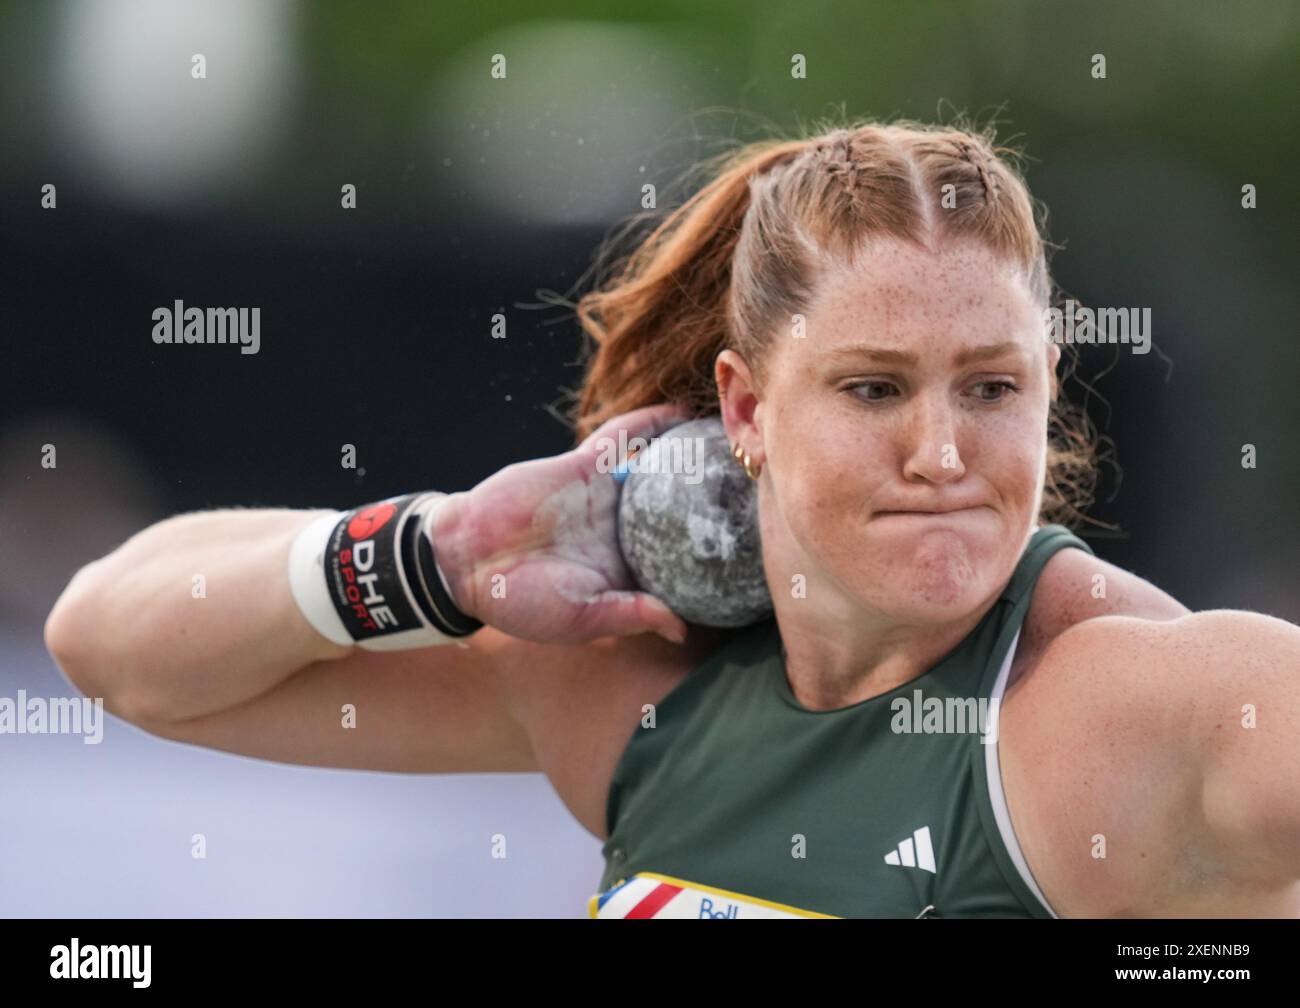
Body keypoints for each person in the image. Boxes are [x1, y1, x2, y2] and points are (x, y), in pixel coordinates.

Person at [45, 120, 1300, 919]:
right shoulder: (637, 685)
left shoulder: (1131, 708)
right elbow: (113, 647)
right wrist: (437, 554)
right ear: (744, 409)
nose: (941, 452)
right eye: (873, 389)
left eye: (992, 388)